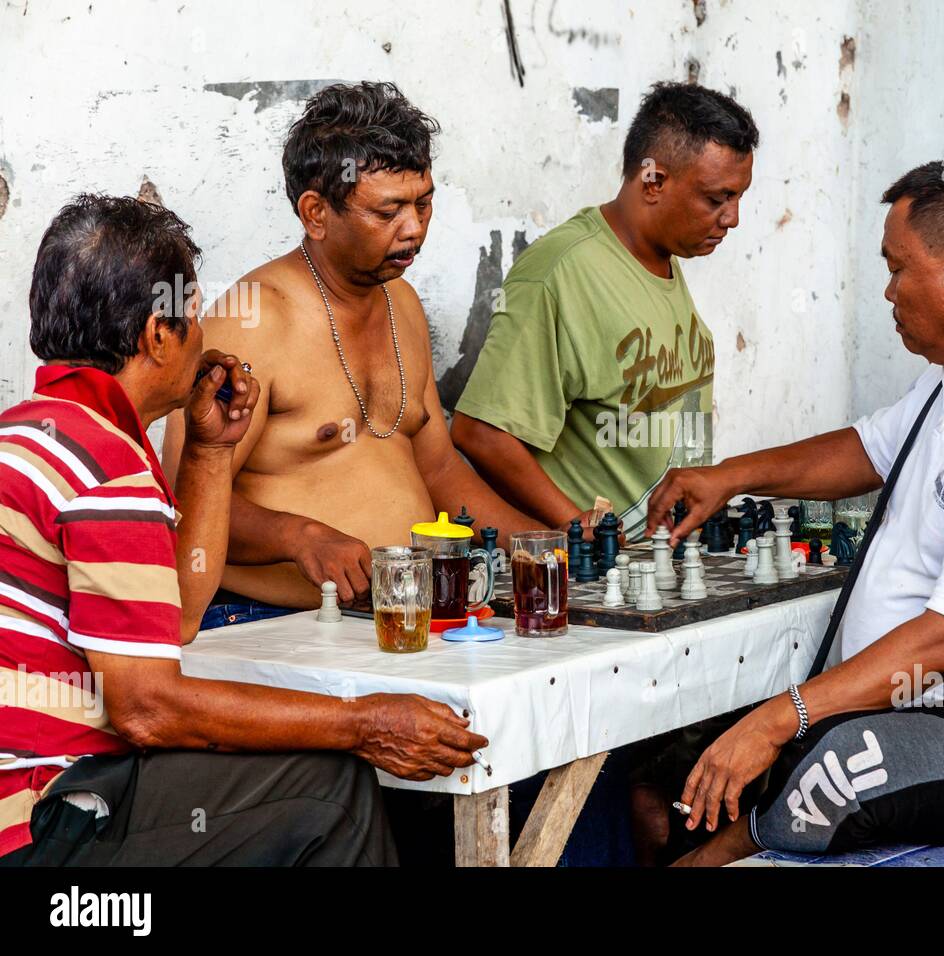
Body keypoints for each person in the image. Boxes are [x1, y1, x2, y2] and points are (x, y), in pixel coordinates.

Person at [645, 156, 944, 867]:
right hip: (928, 709)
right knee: (685, 766)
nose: (888, 290)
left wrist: (779, 720)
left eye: (899, 268)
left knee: (830, 774)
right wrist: (729, 478)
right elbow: (869, 451)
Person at [0, 195, 485, 866]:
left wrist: (208, 453)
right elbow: (148, 711)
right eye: (192, 317)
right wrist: (362, 723)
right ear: (156, 337)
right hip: (44, 817)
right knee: (332, 792)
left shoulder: (34, 431)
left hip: (46, 794)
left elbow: (179, 619)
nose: (204, 337)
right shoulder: (103, 466)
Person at [163, 81, 546, 619]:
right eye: (388, 211)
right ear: (316, 213)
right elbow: (186, 499)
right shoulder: (255, 318)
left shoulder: (402, 304)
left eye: (424, 202)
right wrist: (299, 537)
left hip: (398, 616)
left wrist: (542, 545)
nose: (414, 229)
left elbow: (439, 470)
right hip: (270, 622)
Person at [450, 82, 758, 542]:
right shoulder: (561, 271)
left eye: (738, 198)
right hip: (607, 580)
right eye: (716, 199)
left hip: (667, 564)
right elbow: (481, 432)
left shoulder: (664, 255)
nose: (732, 218)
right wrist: (581, 529)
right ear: (652, 182)